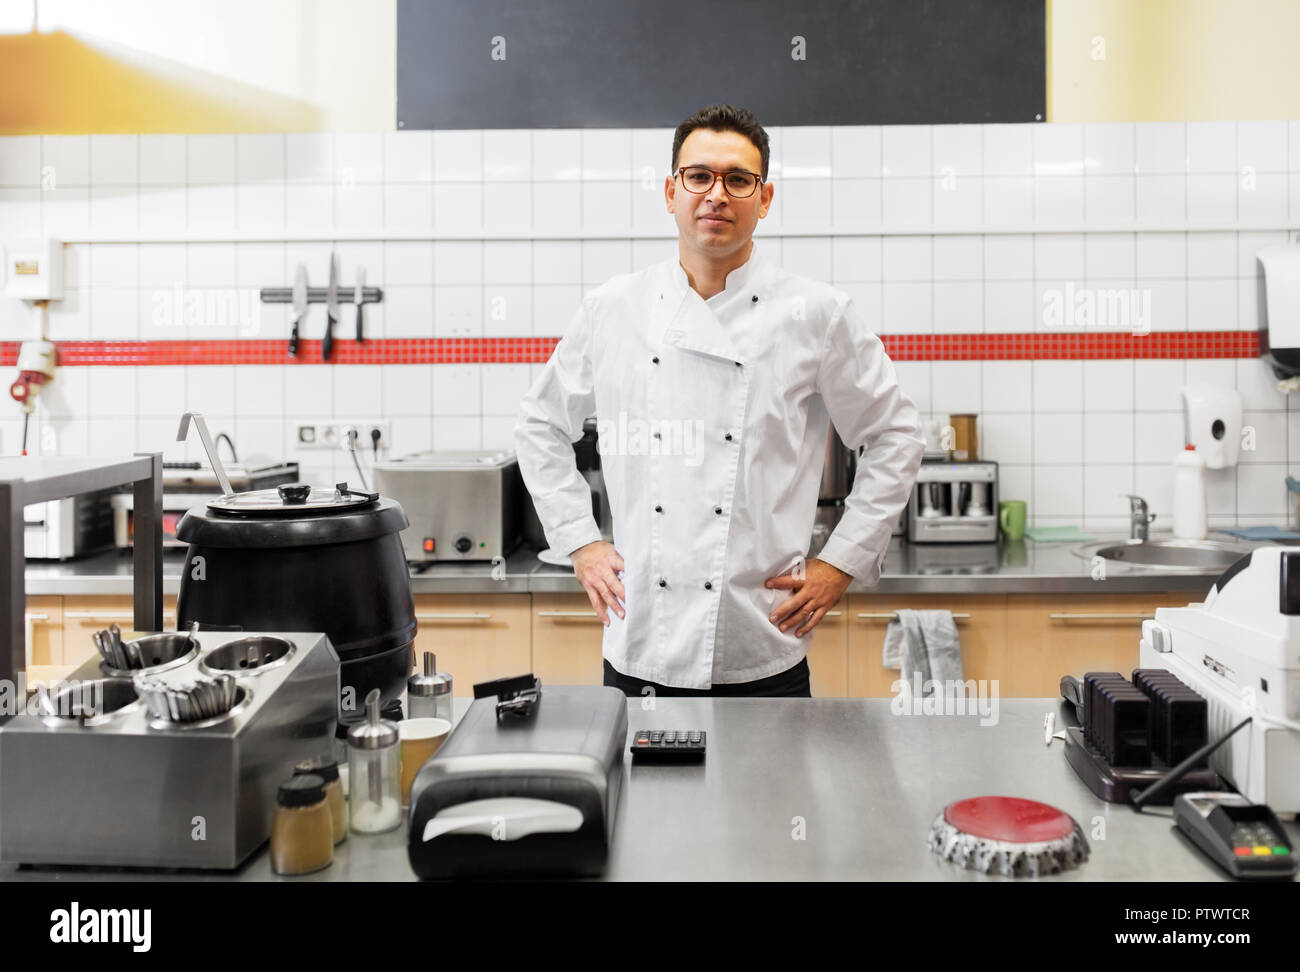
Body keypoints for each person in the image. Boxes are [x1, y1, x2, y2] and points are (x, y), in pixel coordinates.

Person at [514, 103, 924, 698]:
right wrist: (580, 539)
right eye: (699, 176)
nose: (716, 194)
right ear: (670, 191)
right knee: (642, 796)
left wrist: (842, 563)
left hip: (760, 644)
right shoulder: (613, 308)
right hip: (641, 644)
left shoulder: (817, 314)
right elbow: (539, 424)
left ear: (764, 198)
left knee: (770, 795)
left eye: (738, 179)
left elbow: (895, 435)